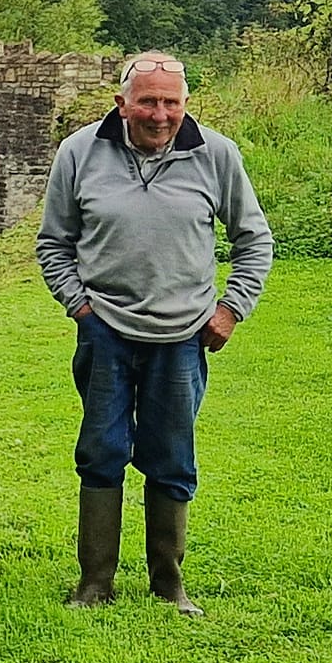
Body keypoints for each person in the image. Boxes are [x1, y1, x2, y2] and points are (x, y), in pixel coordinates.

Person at [36, 51, 273, 614]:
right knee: (101, 452)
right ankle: (95, 581)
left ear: (186, 105)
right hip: (105, 332)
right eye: (147, 101)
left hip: (184, 336)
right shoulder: (79, 152)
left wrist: (230, 310)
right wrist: (80, 307)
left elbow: (254, 240)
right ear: (122, 104)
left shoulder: (217, 156)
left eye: (171, 102)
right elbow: (53, 243)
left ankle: (168, 583)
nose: (160, 114)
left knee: (171, 456)